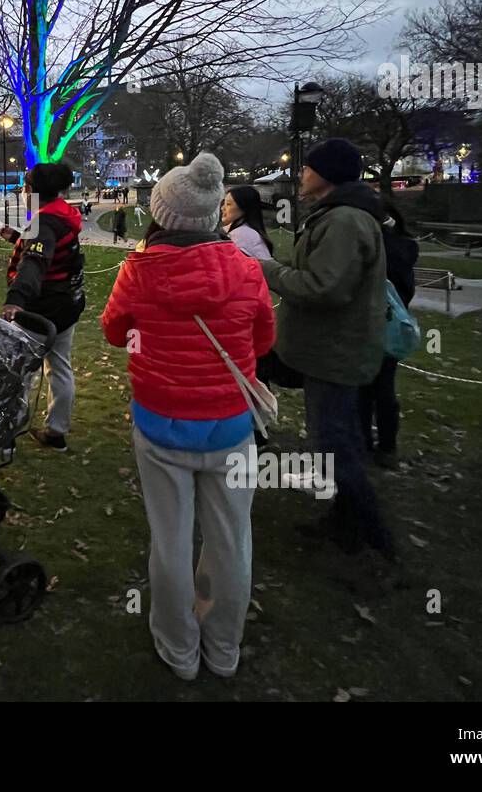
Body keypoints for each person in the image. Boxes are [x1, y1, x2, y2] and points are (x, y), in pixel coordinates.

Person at [102, 152, 275, 680]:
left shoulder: (137, 270)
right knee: (231, 541)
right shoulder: (247, 270)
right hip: (229, 426)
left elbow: (115, 331)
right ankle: (222, 648)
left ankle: (179, 648)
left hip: (161, 424)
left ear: (162, 215)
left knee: (170, 539)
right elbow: (264, 338)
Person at [258, 138, 394, 559]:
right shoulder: (340, 216)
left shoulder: (345, 221)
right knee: (338, 440)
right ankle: (345, 524)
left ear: (326, 173)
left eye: (308, 167)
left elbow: (325, 287)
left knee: (334, 444)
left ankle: (373, 537)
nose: (301, 173)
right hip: (329, 350)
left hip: (335, 352)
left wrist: (268, 271)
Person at [0, 162, 86, 452]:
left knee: (17, 373)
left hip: (39, 310)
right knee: (59, 367)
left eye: (25, 188)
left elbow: (34, 263)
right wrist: (15, 237)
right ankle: (56, 431)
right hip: (67, 306)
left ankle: (6, 434)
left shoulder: (44, 223)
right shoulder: (62, 214)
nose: (24, 193)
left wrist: (15, 301)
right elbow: (45, 247)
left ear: (33, 191)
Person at [358, 199, 419, 469]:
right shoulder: (403, 246)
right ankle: (380, 443)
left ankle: (379, 443)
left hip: (380, 323)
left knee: (375, 389)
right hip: (387, 324)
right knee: (378, 388)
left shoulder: (389, 248)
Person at [220, 185, 273, 261]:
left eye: (228, 204)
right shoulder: (247, 231)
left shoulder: (241, 234)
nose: (223, 208)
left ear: (244, 207)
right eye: (223, 203)